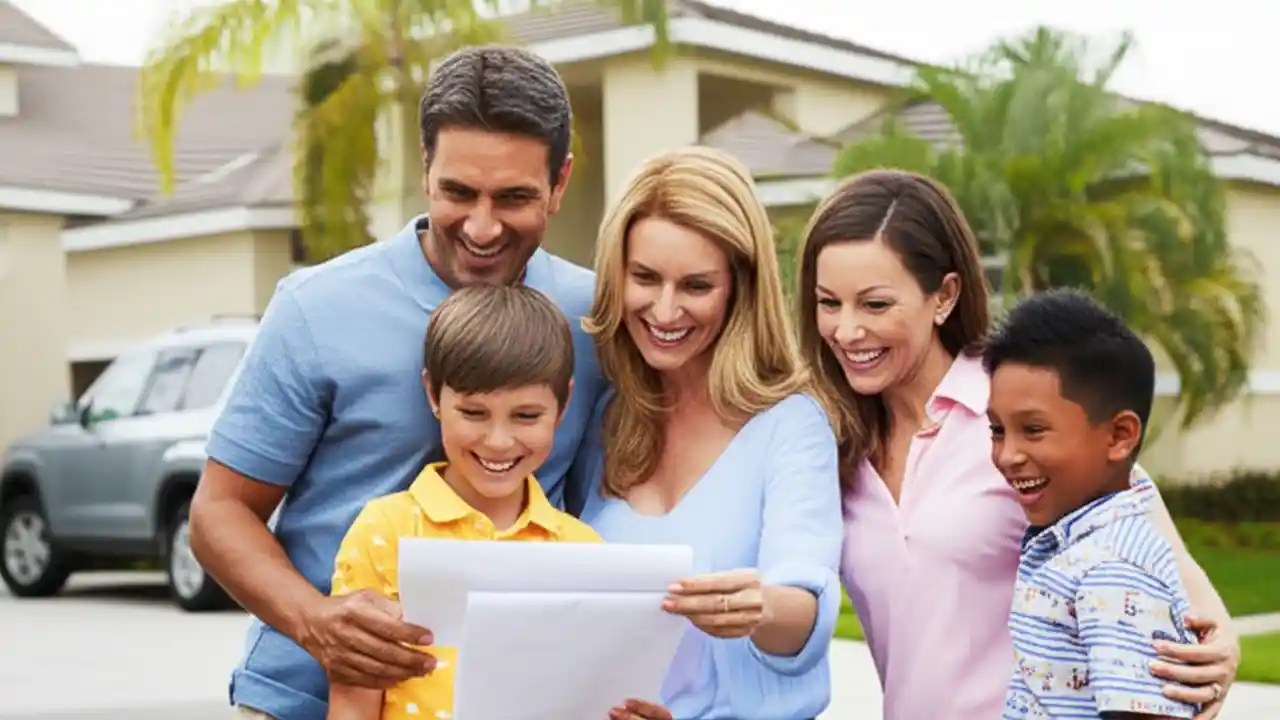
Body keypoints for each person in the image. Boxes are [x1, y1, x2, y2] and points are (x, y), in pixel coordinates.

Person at [189, 45, 609, 720]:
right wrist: (317, 622)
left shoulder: (594, 320)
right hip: (303, 699)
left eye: (514, 197)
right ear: (425, 168)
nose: (481, 226)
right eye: (458, 192)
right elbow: (218, 513)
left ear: (559, 183)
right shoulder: (317, 309)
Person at [794, 169, 1240, 720]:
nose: (846, 330)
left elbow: (1157, 554)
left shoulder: (1016, 413)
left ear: (944, 296)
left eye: (875, 304)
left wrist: (1220, 644)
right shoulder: (829, 444)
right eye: (828, 302)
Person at [579, 146, 844, 720]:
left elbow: (807, 600)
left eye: (696, 286)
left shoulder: (790, 424)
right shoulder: (603, 417)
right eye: (645, 278)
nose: (664, 310)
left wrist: (761, 607)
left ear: (739, 290)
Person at [324, 284, 669, 720]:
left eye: (526, 416)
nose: (499, 441)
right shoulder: (386, 531)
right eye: (473, 413)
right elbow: (352, 705)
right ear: (433, 394)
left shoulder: (581, 550)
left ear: (563, 404)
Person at [986, 288, 1201, 720]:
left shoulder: (1113, 569)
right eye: (997, 430)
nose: (1007, 455)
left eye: (1033, 430)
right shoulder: (1070, 548)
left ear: (1120, 436)